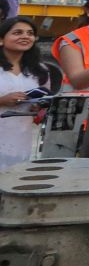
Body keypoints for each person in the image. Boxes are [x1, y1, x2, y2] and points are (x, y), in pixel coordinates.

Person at [0, 17, 53, 170]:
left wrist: (39, 107)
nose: (25, 36)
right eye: (17, 32)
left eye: (30, 33)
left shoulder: (39, 70)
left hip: (20, 139)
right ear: (2, 39)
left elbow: (44, 102)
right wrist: (2, 100)